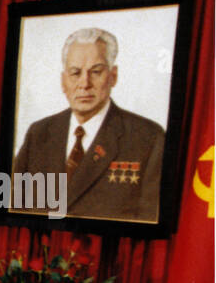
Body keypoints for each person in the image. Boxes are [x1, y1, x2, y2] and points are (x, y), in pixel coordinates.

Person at [12, 26, 164, 223]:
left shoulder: (147, 138)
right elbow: (15, 206)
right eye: (75, 73)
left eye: (96, 71)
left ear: (113, 76)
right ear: (63, 80)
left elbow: (149, 219)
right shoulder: (39, 133)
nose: (84, 83)